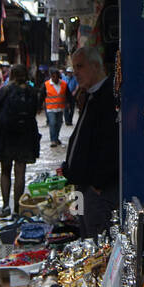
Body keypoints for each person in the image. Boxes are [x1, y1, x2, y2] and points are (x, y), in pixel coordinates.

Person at [62, 46, 118, 238]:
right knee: (85, 234)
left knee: (96, 238)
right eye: (74, 67)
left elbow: (111, 143)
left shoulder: (108, 95)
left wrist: (97, 183)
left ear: (95, 66)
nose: (75, 73)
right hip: (84, 187)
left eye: (80, 66)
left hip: (96, 190)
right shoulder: (91, 95)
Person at [0, 65, 42, 220]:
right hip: (25, 136)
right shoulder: (31, 91)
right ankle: (17, 207)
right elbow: (35, 111)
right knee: (20, 171)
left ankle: (5, 205)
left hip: (7, 136)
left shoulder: (5, 90)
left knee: (5, 171)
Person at [44, 67, 68, 147]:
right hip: (51, 108)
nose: (55, 78)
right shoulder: (46, 84)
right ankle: (53, 140)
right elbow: (42, 95)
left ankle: (56, 138)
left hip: (60, 108)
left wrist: (69, 103)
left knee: (59, 123)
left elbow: (68, 95)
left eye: (56, 76)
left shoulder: (64, 84)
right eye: (53, 76)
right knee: (52, 123)